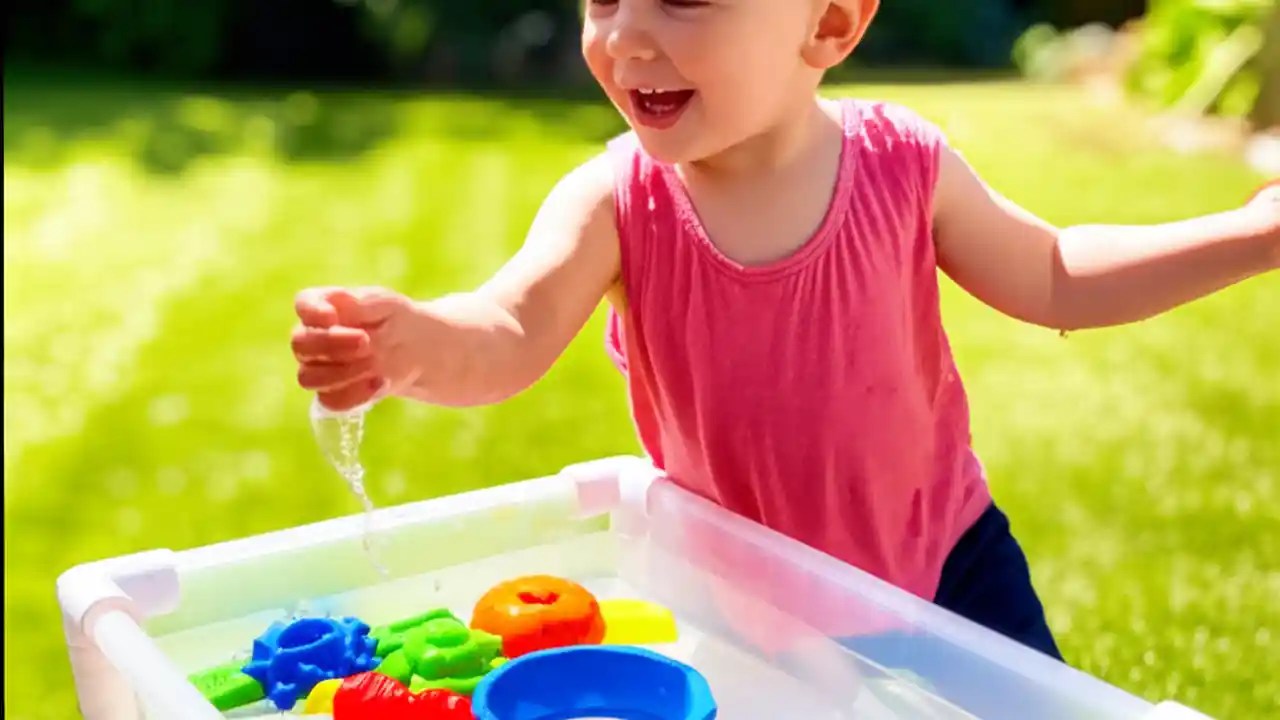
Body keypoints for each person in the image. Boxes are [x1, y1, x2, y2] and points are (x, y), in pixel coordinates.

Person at [291, 0, 1278, 673]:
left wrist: (1250, 233)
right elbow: (507, 329)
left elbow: (1056, 274)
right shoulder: (613, 199)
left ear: (831, 21)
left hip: (946, 566)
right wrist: (410, 344)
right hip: (746, 603)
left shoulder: (904, 166)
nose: (624, 35)